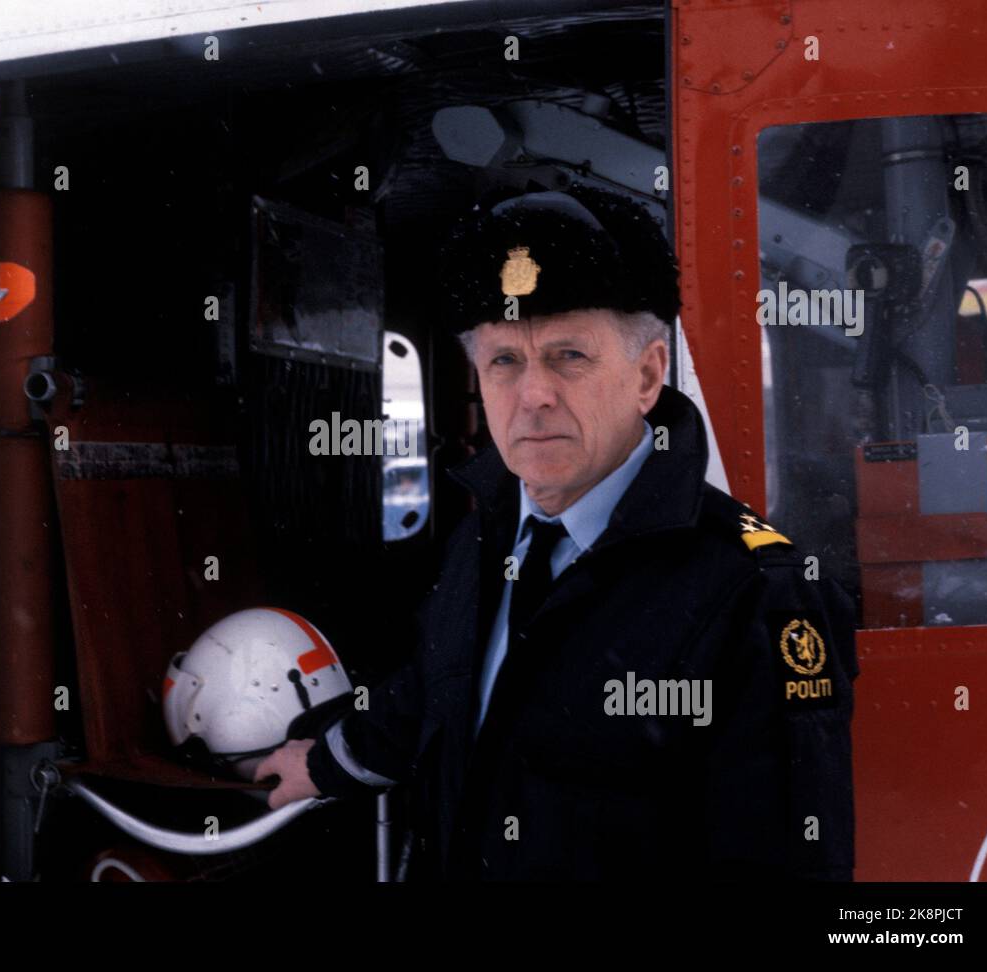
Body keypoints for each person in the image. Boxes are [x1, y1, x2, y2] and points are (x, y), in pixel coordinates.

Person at [254, 183, 858, 881]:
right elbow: (439, 688)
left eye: (569, 355)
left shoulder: (755, 596)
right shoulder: (482, 542)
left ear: (648, 375)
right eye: (505, 360)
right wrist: (327, 761)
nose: (533, 394)